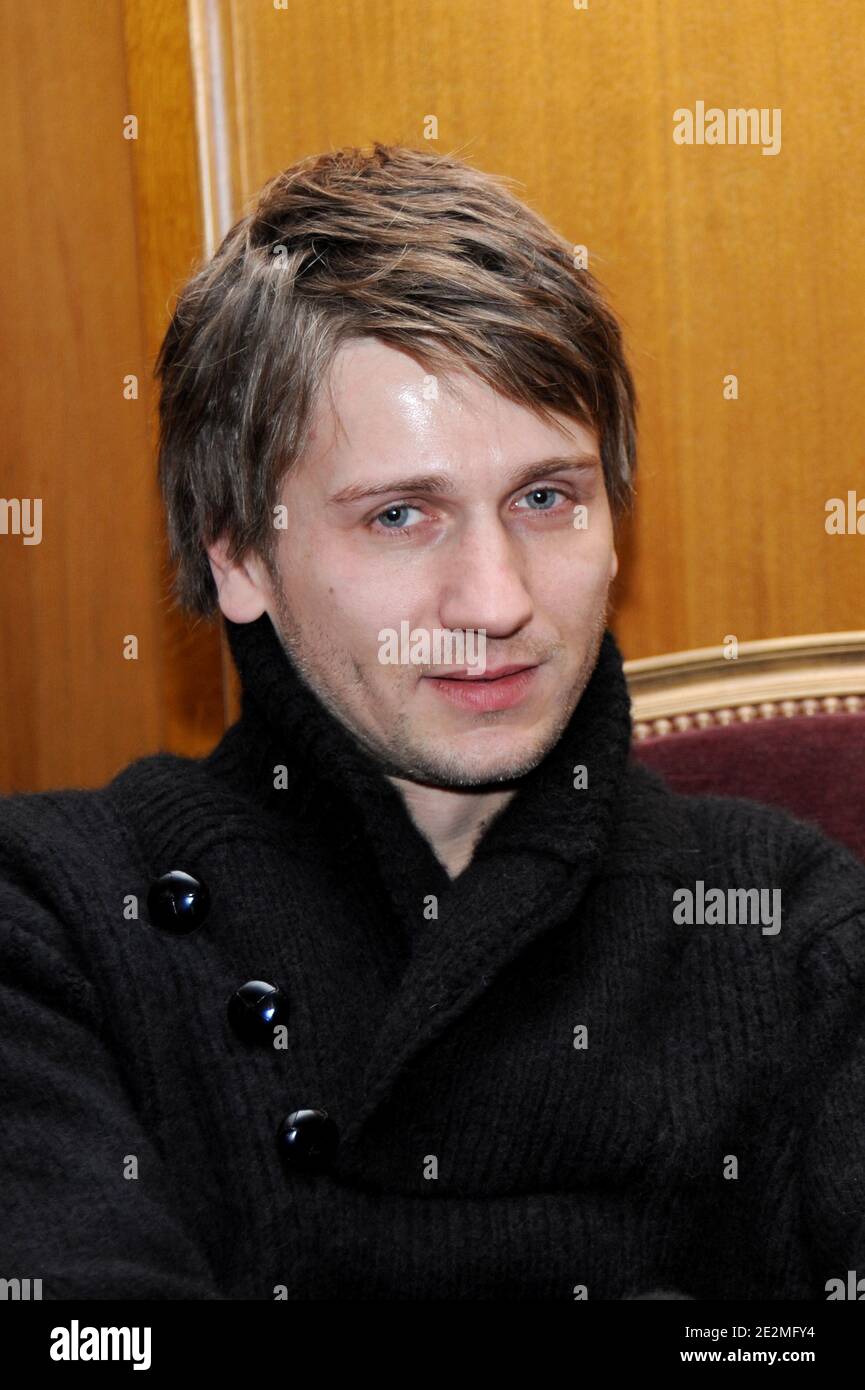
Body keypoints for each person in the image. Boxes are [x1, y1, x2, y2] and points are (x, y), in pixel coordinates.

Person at [1, 142, 863, 1301]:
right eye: (401, 514)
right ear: (238, 553)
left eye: (545, 499)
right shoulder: (55, 921)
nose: (496, 602)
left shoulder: (789, 926)